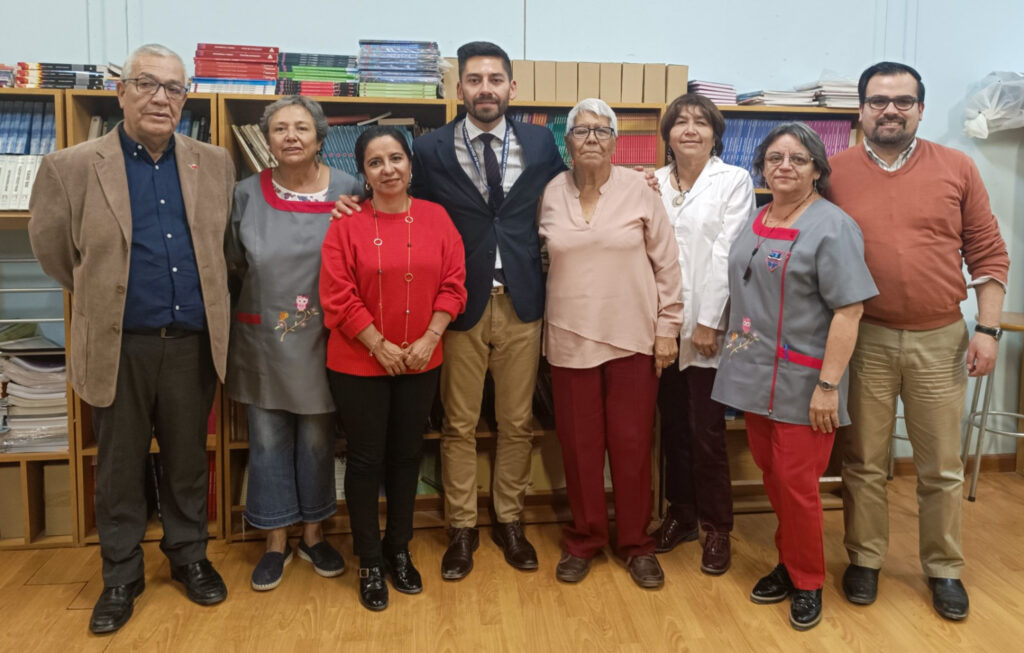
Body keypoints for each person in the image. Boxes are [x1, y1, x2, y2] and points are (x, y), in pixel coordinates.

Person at [27, 44, 234, 634]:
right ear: (121, 92)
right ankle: (121, 574)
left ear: (185, 99)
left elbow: (221, 248)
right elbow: (54, 251)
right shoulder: (72, 165)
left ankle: (190, 558)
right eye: (146, 83)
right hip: (120, 345)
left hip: (192, 343)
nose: (160, 97)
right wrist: (105, 293)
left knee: (189, 462)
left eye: (173, 88)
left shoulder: (213, 162)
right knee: (118, 467)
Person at [828, 62, 1009, 622]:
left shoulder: (958, 166)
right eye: (878, 100)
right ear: (860, 109)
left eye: (903, 101)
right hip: (866, 338)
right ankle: (865, 557)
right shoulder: (831, 172)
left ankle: (944, 568)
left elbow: (989, 253)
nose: (890, 110)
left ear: (921, 109)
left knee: (941, 465)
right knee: (863, 461)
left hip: (939, 338)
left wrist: (987, 328)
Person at [406, 41, 566, 580]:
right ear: (460, 90)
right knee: (458, 424)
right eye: (474, 80)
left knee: (516, 421)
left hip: (523, 301)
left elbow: (572, 191)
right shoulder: (428, 150)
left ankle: (511, 521)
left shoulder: (543, 143)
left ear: (512, 88)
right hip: (457, 304)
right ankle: (460, 528)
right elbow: (404, 206)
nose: (485, 89)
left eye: (495, 79)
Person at [711, 122, 877, 631]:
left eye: (798, 159)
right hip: (753, 373)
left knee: (799, 484)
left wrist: (828, 387)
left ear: (817, 170)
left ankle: (808, 581)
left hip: (807, 381)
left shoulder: (833, 227)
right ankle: (787, 562)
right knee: (773, 477)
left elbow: (849, 312)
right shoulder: (758, 218)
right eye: (775, 158)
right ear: (762, 167)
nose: (785, 166)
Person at [538, 98, 684, 589]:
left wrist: (667, 329)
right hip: (569, 336)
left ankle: (636, 544)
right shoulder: (549, 193)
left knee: (631, 446)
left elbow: (667, 265)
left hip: (633, 339)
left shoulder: (642, 192)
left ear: (617, 143)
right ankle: (585, 538)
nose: (593, 139)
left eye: (603, 131)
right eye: (582, 131)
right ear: (568, 143)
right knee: (579, 449)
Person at [320, 126, 467, 611]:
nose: (388, 170)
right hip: (358, 361)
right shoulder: (345, 225)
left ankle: (398, 550)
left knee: (406, 457)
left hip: (422, 358)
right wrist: (378, 344)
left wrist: (429, 338)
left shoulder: (437, 217)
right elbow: (337, 295)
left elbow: (454, 283)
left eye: (396, 158)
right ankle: (367, 559)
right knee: (365, 460)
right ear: (362, 173)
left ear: (410, 164)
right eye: (376, 162)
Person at [225, 96, 360, 591]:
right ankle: (275, 541)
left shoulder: (351, 191)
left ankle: (314, 534)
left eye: (301, 127)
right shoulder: (244, 194)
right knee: (266, 441)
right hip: (263, 338)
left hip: (327, 339)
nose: (291, 136)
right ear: (267, 139)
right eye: (279, 128)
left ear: (321, 137)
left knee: (319, 440)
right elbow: (231, 260)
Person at [651, 93, 755, 574]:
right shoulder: (651, 182)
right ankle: (682, 514)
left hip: (707, 329)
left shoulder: (733, 181)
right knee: (672, 427)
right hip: (659, 327)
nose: (690, 129)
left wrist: (709, 321)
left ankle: (718, 528)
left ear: (716, 134)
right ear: (667, 134)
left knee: (706, 431)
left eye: (701, 122)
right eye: (680, 122)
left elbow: (726, 255)